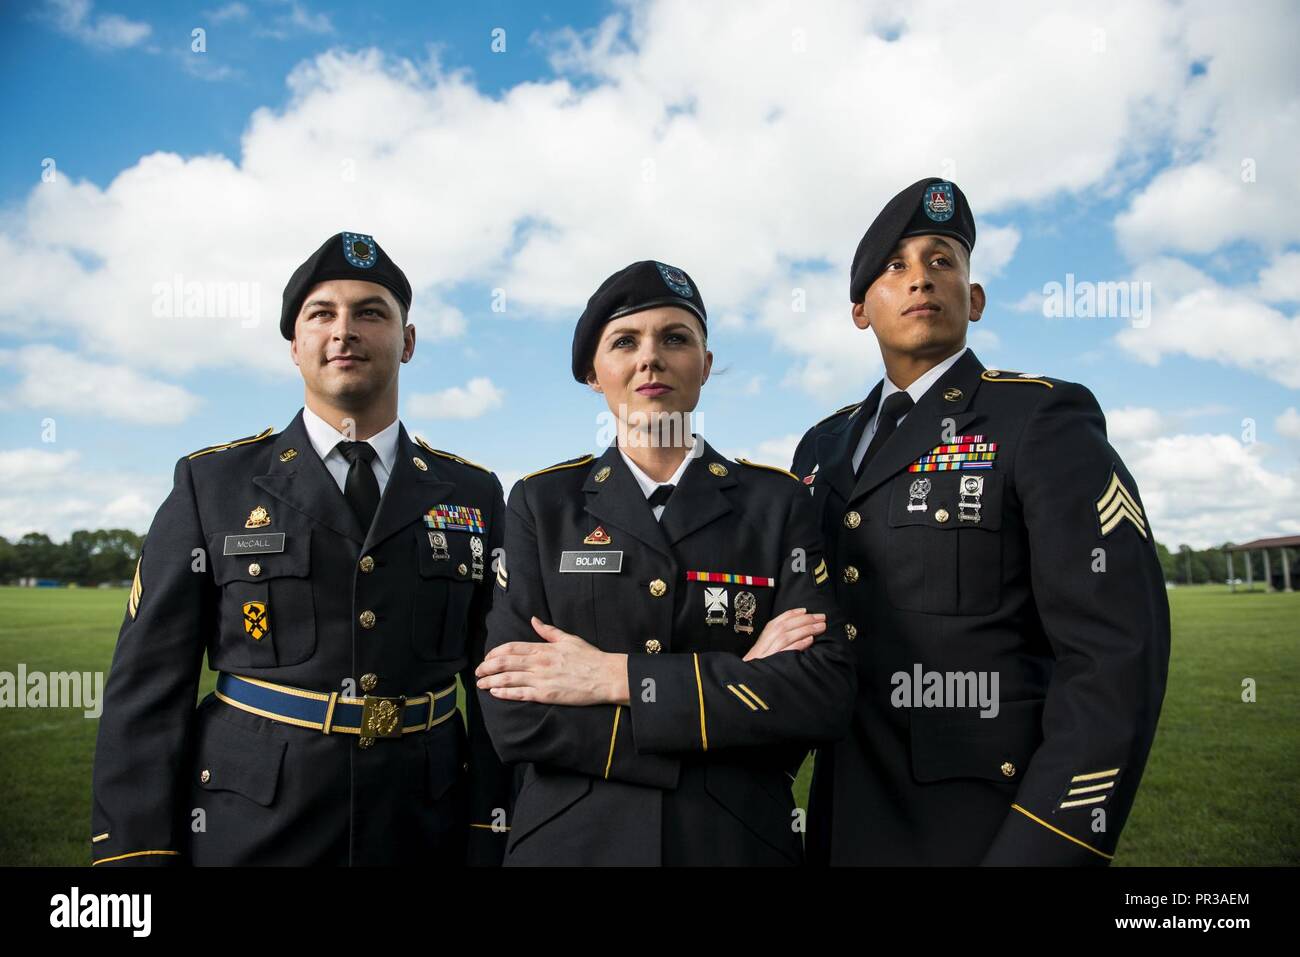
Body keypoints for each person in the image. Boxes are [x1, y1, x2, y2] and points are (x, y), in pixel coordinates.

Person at [90, 231, 512, 866]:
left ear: (409, 341)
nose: (344, 330)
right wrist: (136, 857)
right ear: (295, 346)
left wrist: (490, 830)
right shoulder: (214, 484)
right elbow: (148, 687)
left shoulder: (474, 493)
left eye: (371, 312)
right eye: (322, 314)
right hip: (253, 827)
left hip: (423, 822)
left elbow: (498, 685)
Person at [791, 178, 1170, 865]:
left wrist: (1045, 848)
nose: (920, 280)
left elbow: (1116, 656)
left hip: (981, 830)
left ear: (974, 298)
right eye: (895, 266)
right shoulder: (821, 447)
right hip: (842, 819)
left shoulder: (1039, 419)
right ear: (859, 311)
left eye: (942, 261)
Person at [474, 260, 856, 865]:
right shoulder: (541, 505)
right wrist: (732, 688)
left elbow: (821, 695)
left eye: (675, 338)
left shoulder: (776, 503)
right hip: (574, 842)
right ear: (594, 375)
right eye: (625, 341)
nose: (650, 358)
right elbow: (513, 715)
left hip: (735, 842)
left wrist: (611, 678)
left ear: (704, 366)